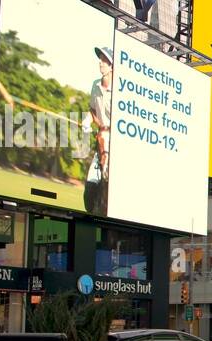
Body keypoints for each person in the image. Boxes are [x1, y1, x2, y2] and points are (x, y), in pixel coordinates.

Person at [84, 46, 113, 217]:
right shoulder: (95, 85)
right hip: (101, 140)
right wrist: (88, 120)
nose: (101, 63)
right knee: (90, 188)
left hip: (116, 142)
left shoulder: (121, 89)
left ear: (112, 66)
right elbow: (92, 110)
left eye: (105, 61)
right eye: (100, 59)